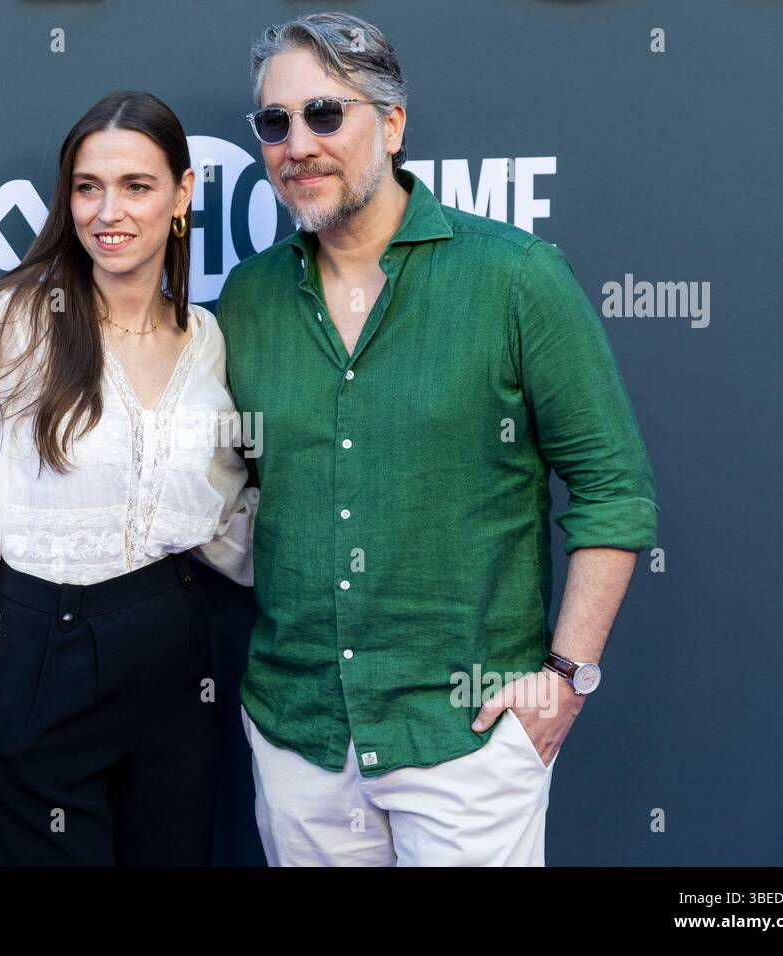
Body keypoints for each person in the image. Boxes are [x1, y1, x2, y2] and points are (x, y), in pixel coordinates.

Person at [216, 12, 658, 865]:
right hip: (297, 733)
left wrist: (566, 681)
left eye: (325, 114)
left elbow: (614, 490)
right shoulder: (248, 298)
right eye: (274, 122)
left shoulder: (515, 276)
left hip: (469, 736)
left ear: (392, 123)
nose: (296, 143)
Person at [0, 90, 258, 866]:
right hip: (41, 654)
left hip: (174, 653)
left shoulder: (203, 338)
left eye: (136, 185)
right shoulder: (18, 321)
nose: (110, 211)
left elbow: (227, 516)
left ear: (183, 193)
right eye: (88, 186)